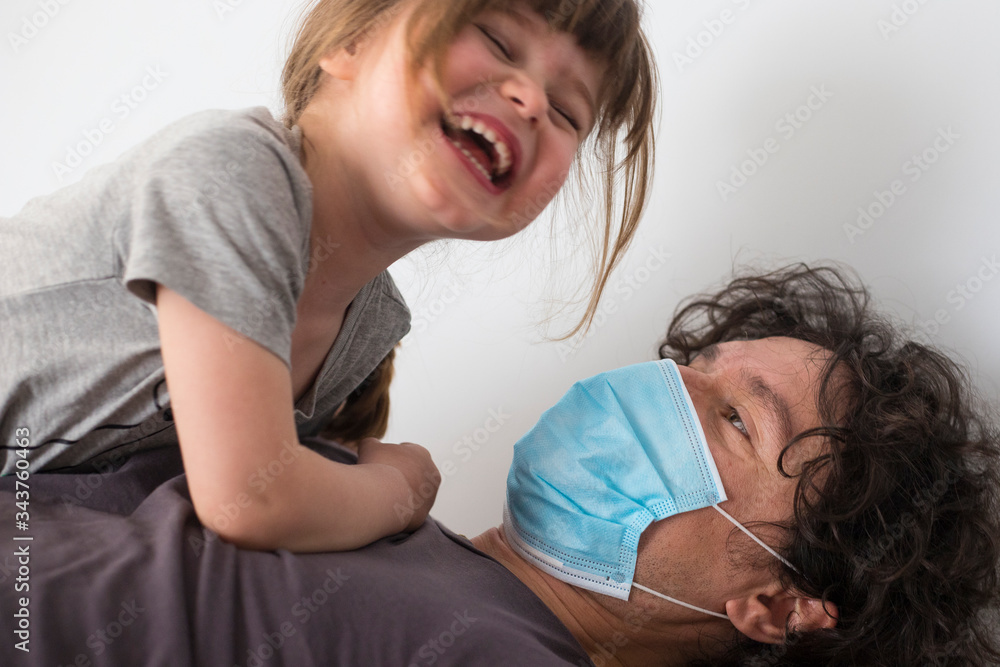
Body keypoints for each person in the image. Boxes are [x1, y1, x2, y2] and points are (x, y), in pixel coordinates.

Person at [2, 263, 996, 667]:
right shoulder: (369, 507)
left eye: (735, 417)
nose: (664, 387)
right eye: (692, 369)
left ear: (776, 604)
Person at [0, 0, 658, 552]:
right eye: (494, 39)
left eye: (570, 111)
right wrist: (401, 489)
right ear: (351, 42)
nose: (531, 98)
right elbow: (251, 496)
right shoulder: (231, 173)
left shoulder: (373, 327)